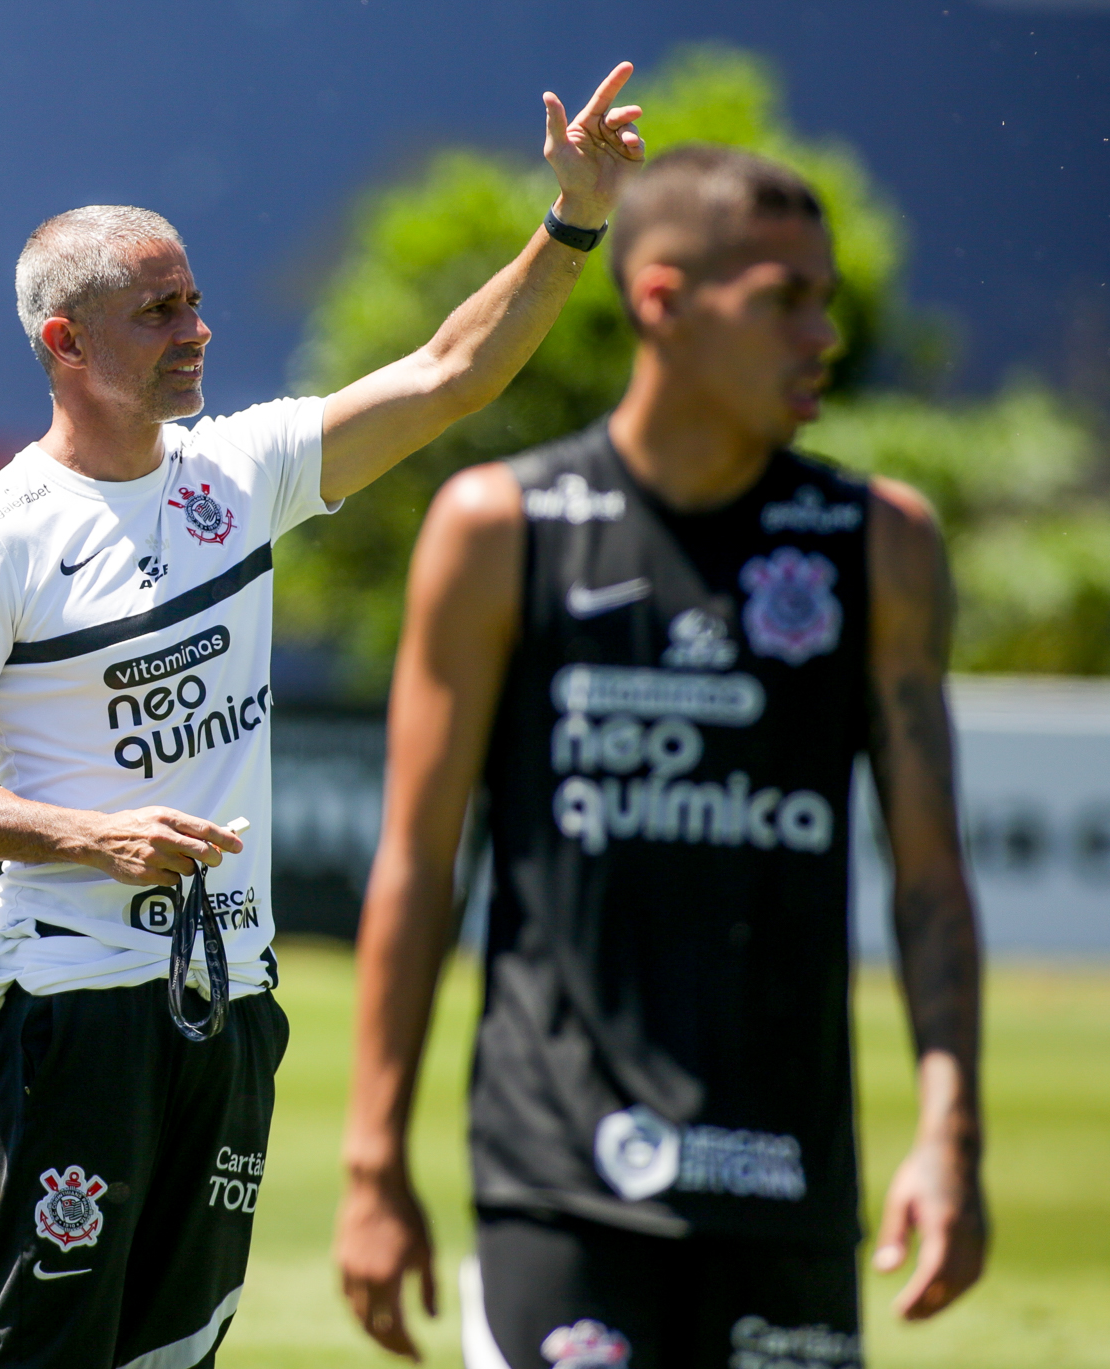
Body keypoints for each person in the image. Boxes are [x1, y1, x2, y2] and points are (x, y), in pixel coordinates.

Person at [0, 65, 646, 1369]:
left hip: (231, 996)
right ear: (63, 344)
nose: (196, 330)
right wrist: (91, 838)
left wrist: (573, 223)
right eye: (157, 312)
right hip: (73, 1005)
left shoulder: (238, 472)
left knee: (179, 1350)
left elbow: (451, 373)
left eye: (193, 301)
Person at [334, 144, 988, 1367]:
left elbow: (927, 877)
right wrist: (373, 1160)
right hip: (556, 1178)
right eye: (781, 298)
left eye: (825, 299)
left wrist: (950, 1130)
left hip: (784, 1173)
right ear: (661, 303)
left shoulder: (877, 543)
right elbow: (417, 866)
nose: (820, 334)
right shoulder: (498, 528)